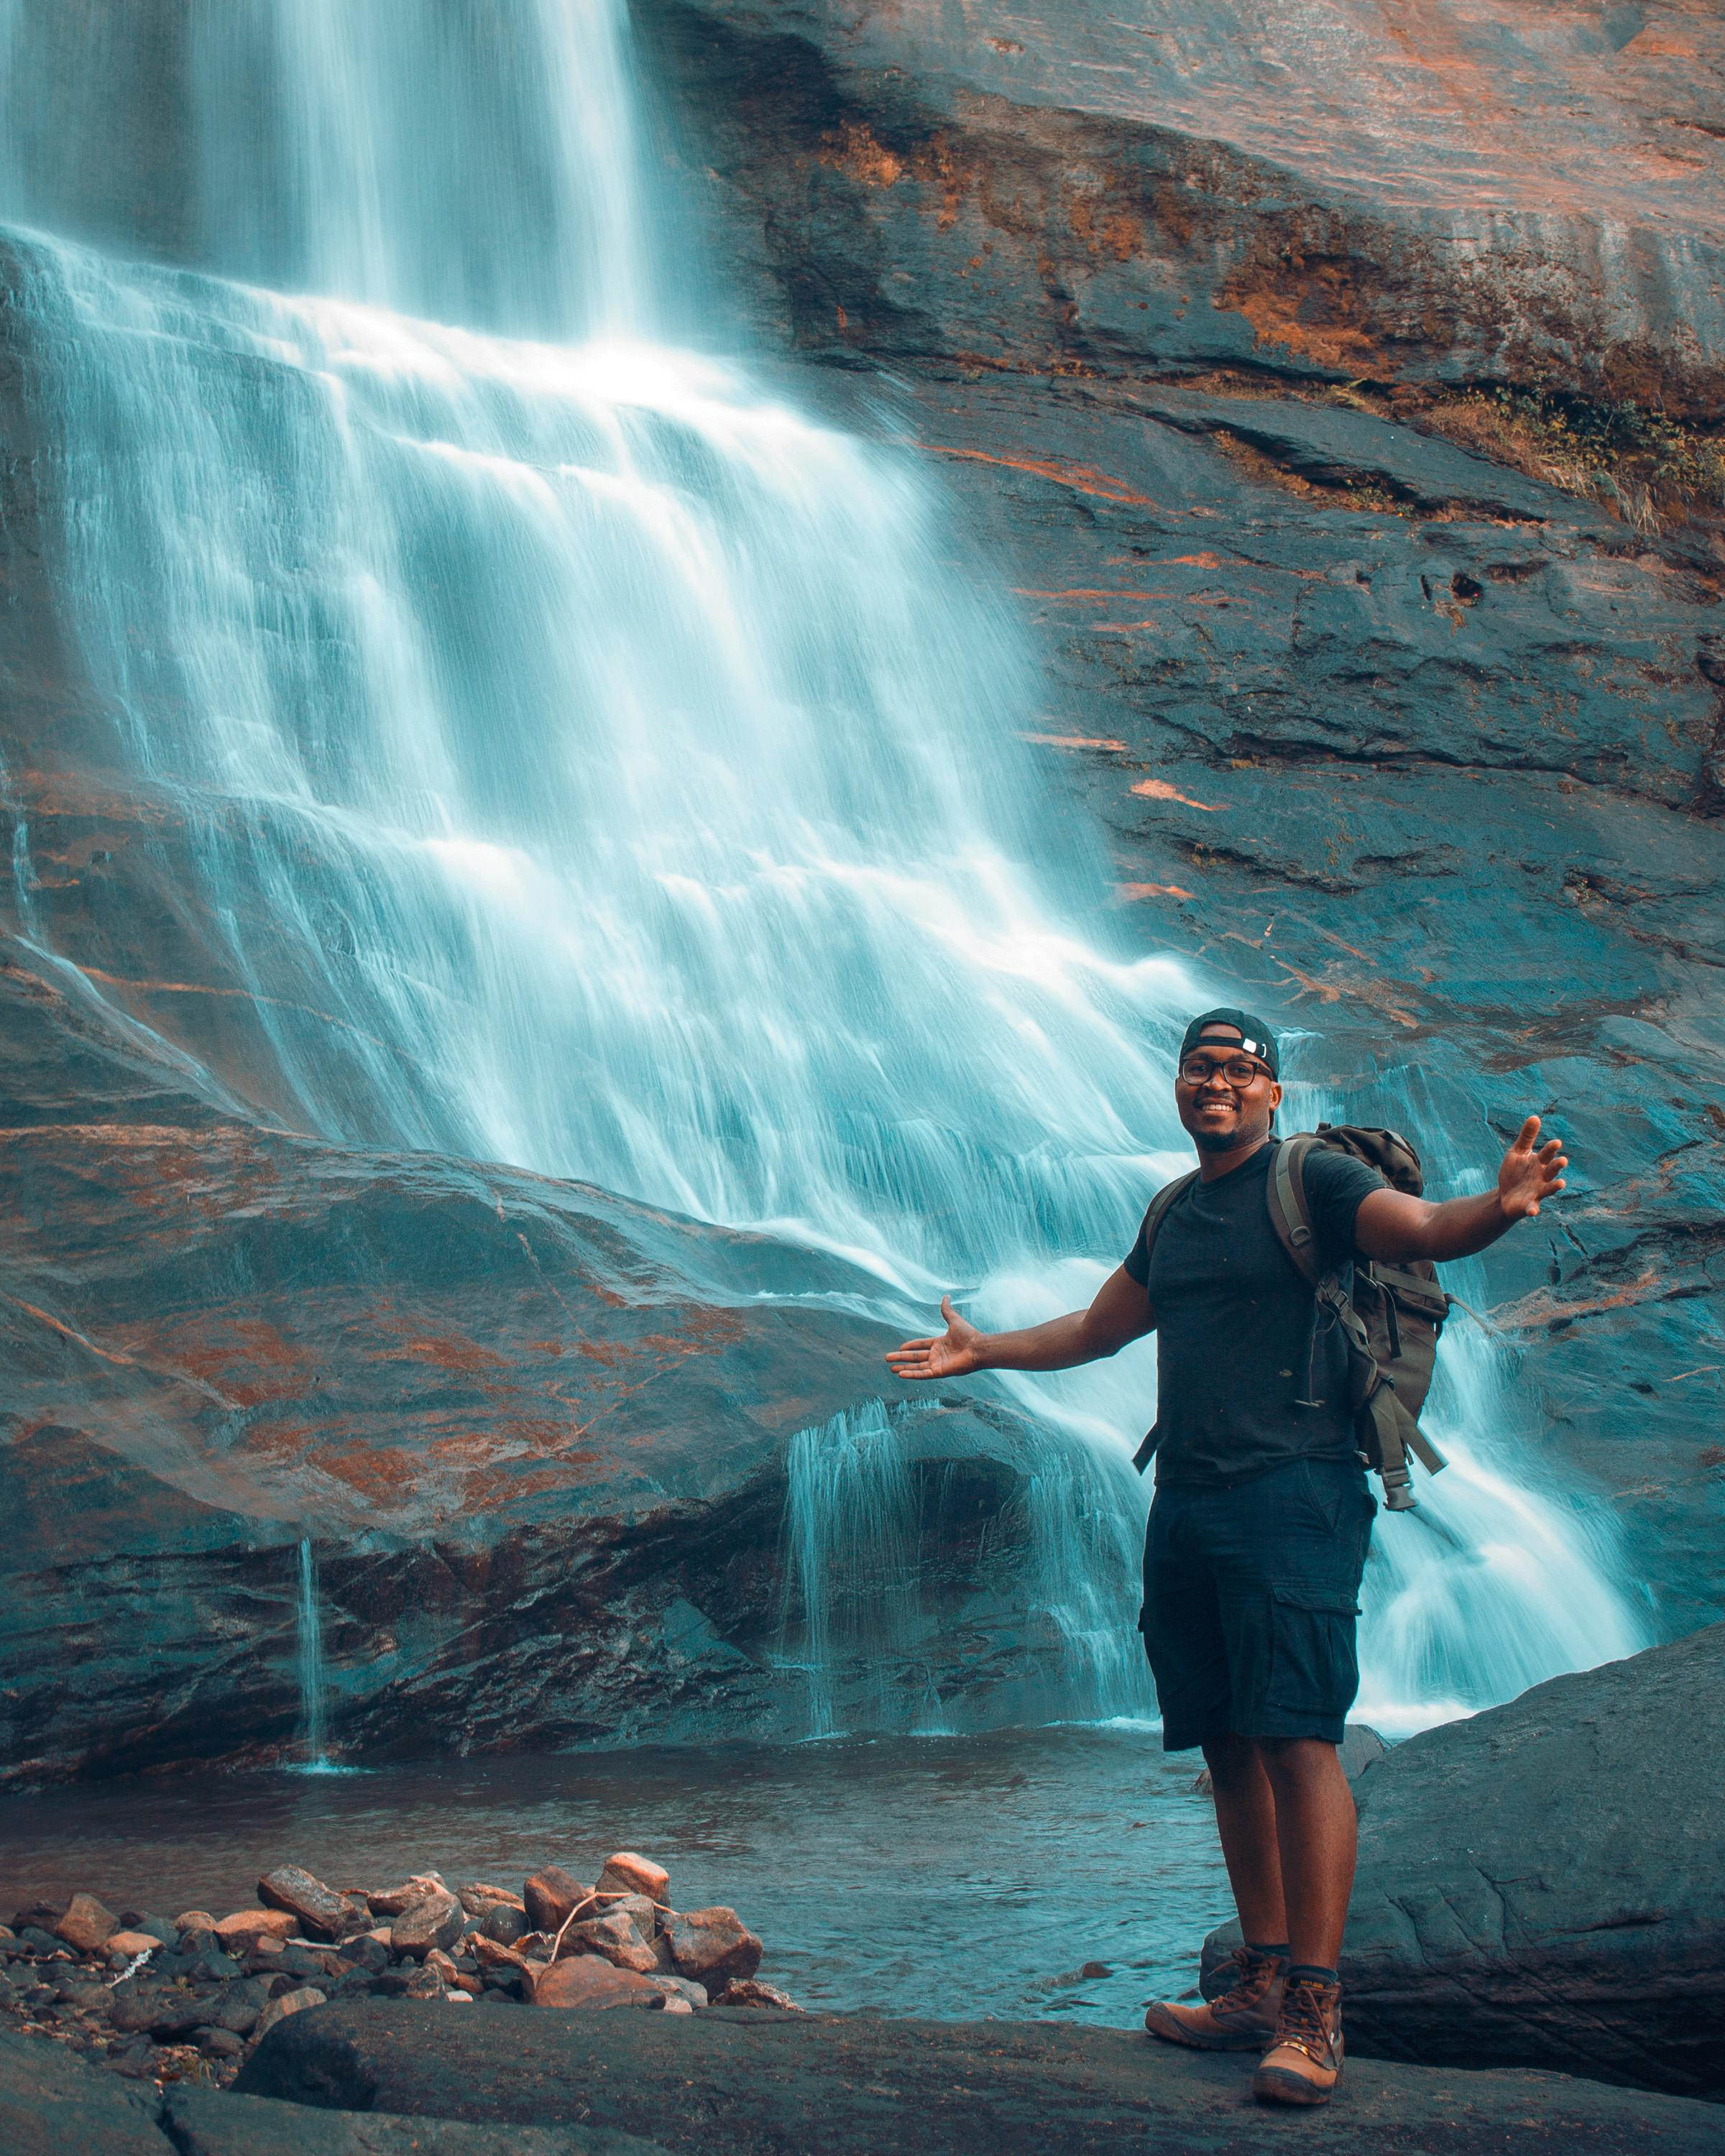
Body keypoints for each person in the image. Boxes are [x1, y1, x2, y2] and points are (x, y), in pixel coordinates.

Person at [886, 1007, 1567, 2109]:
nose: (1216, 1084)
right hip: (1189, 1499)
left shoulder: (1317, 1184)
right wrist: (984, 1350)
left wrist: (1499, 1206)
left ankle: (1314, 2008)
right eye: (1198, 1067)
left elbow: (1424, 1228)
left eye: (1239, 1070)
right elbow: (1102, 1330)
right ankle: (1255, 1979)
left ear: (1272, 1090)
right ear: (1179, 1087)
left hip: (1296, 1494)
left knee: (1299, 1741)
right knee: (1227, 1743)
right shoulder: (1176, 1212)